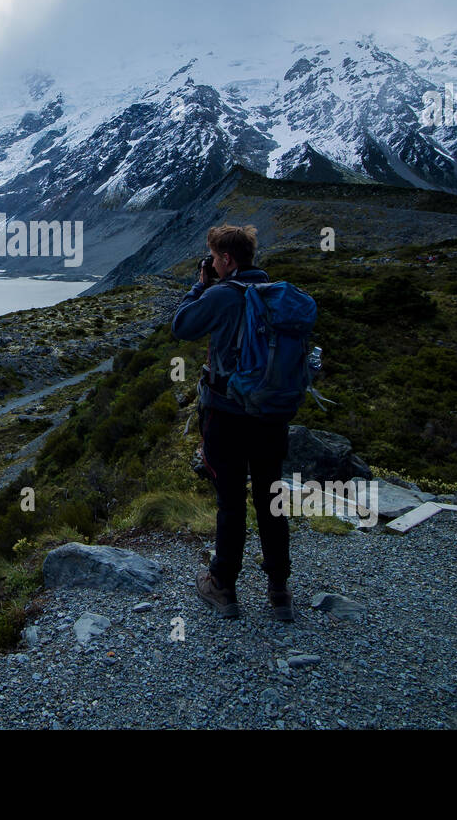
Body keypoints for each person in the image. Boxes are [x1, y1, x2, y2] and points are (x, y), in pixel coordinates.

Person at [171, 224, 293, 622]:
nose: (213, 263)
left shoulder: (223, 294)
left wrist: (200, 286)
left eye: (214, 257)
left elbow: (181, 326)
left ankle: (223, 585)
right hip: (271, 416)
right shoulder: (278, 294)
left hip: (228, 415)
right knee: (271, 498)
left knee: (231, 501)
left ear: (226, 259)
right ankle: (279, 589)